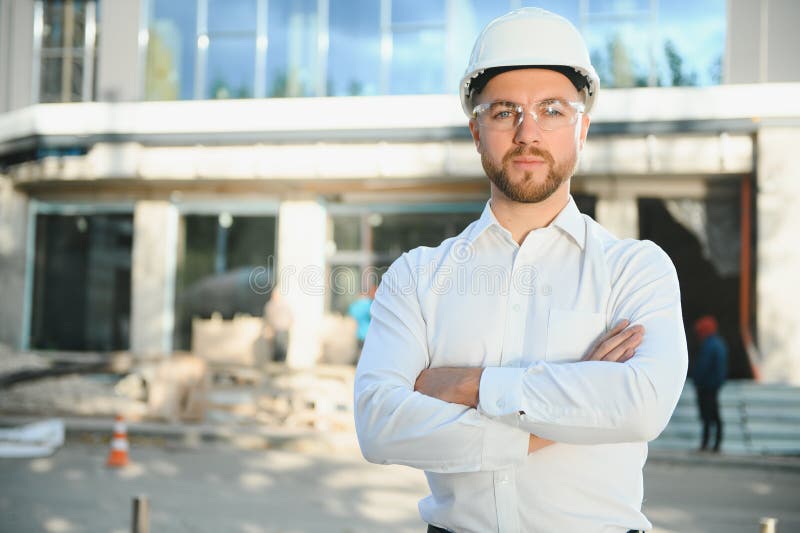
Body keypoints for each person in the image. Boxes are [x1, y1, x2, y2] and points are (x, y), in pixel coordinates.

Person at [354, 8, 688, 533]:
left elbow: (642, 406)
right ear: (476, 130)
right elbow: (378, 423)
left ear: (582, 129)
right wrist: (562, 410)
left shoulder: (636, 269)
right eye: (504, 111)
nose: (527, 132)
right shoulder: (417, 277)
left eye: (552, 110)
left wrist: (468, 385)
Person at [691, 315, 728, 453]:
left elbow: (703, 366)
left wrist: (696, 380)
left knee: (707, 416)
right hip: (714, 386)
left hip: (706, 386)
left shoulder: (709, 346)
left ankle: (706, 444)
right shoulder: (719, 344)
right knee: (714, 415)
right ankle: (716, 444)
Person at [264, 290, 292, 362]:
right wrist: (269, 328)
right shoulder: (270, 305)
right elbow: (268, 318)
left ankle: (281, 364)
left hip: (284, 328)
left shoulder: (285, 304)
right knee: (276, 349)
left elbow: (290, 316)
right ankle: (276, 365)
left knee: (283, 349)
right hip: (275, 329)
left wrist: (289, 324)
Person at [348, 284, 377, 353]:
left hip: (358, 334)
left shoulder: (355, 304)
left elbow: (351, 315)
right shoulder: (369, 304)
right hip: (368, 335)